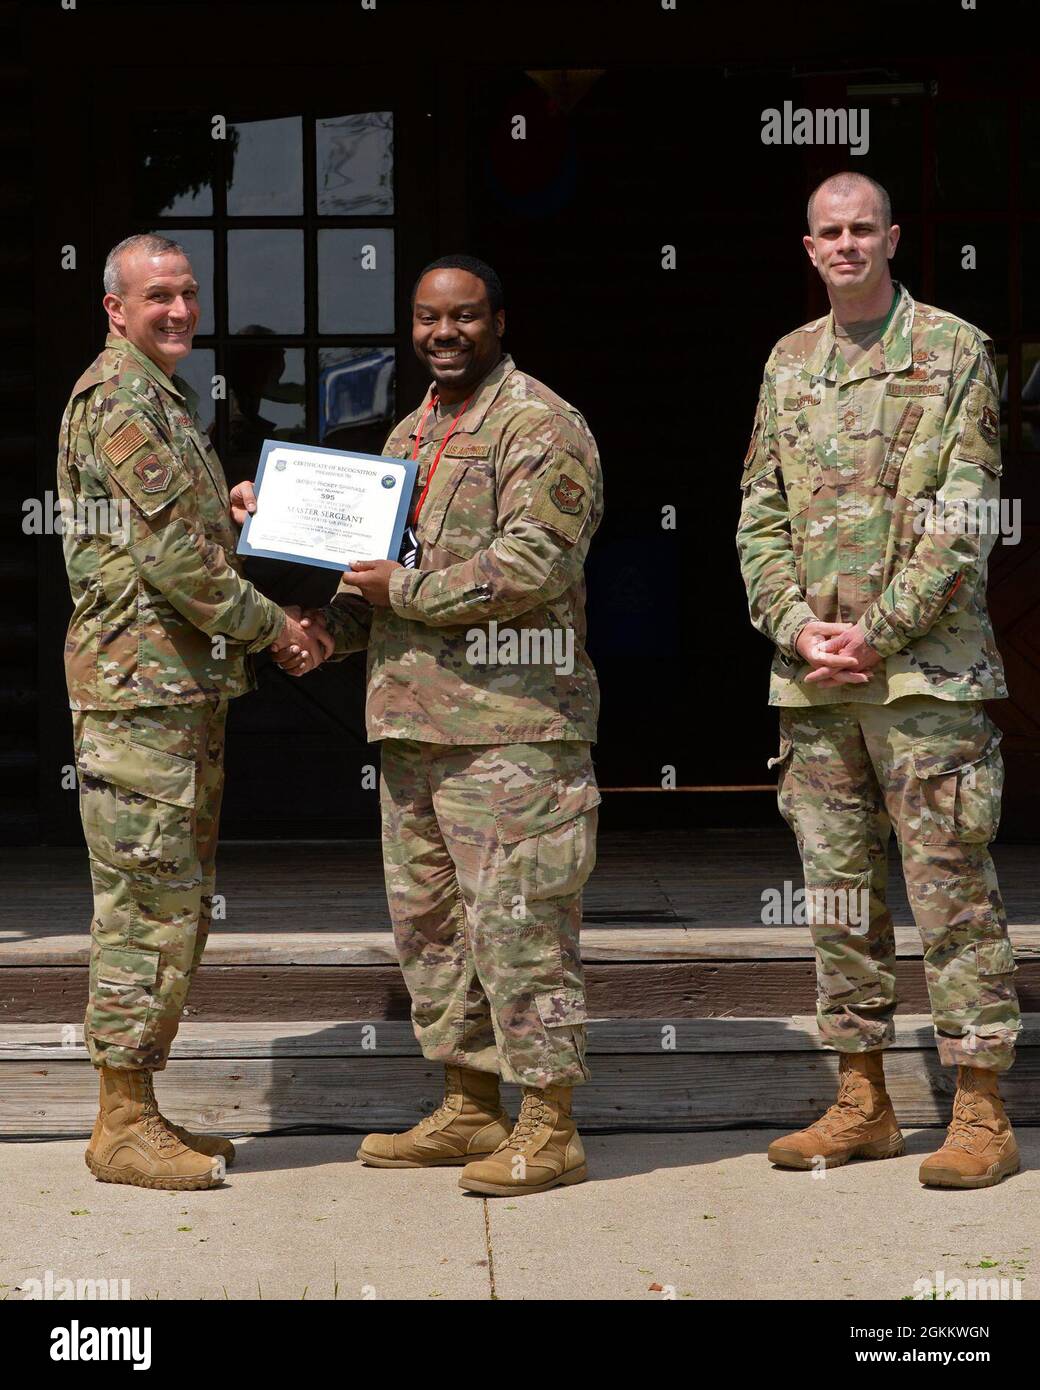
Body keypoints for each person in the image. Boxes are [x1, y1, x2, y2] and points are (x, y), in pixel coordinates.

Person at [251, 254, 604, 1196]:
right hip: (412, 728)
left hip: (513, 731)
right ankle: (468, 1105)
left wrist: (396, 588)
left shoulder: (540, 424)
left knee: (521, 928)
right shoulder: (411, 434)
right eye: (426, 319)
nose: (444, 334)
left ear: (499, 320)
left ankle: (549, 1123)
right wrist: (328, 627)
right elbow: (377, 571)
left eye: (464, 318)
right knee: (435, 933)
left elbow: (529, 563)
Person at [736, 172, 1020, 1189]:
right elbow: (757, 513)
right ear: (806, 246)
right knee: (838, 901)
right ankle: (861, 1100)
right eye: (828, 231)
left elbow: (962, 515)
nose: (846, 244)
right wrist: (793, 624)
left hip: (922, 685)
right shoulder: (786, 362)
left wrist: (877, 632)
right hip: (813, 689)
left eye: (862, 229)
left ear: (892, 236)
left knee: (950, 899)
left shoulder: (952, 351)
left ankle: (979, 1111)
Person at [58, 233, 328, 1191]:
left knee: (172, 906)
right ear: (115, 309)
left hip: (173, 695)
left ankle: (137, 1109)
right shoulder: (123, 401)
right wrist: (279, 632)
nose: (177, 310)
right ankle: (121, 1122)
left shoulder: (158, 397)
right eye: (156, 296)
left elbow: (177, 533)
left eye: (187, 293)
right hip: (140, 700)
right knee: (143, 908)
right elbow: (176, 566)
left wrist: (242, 507)